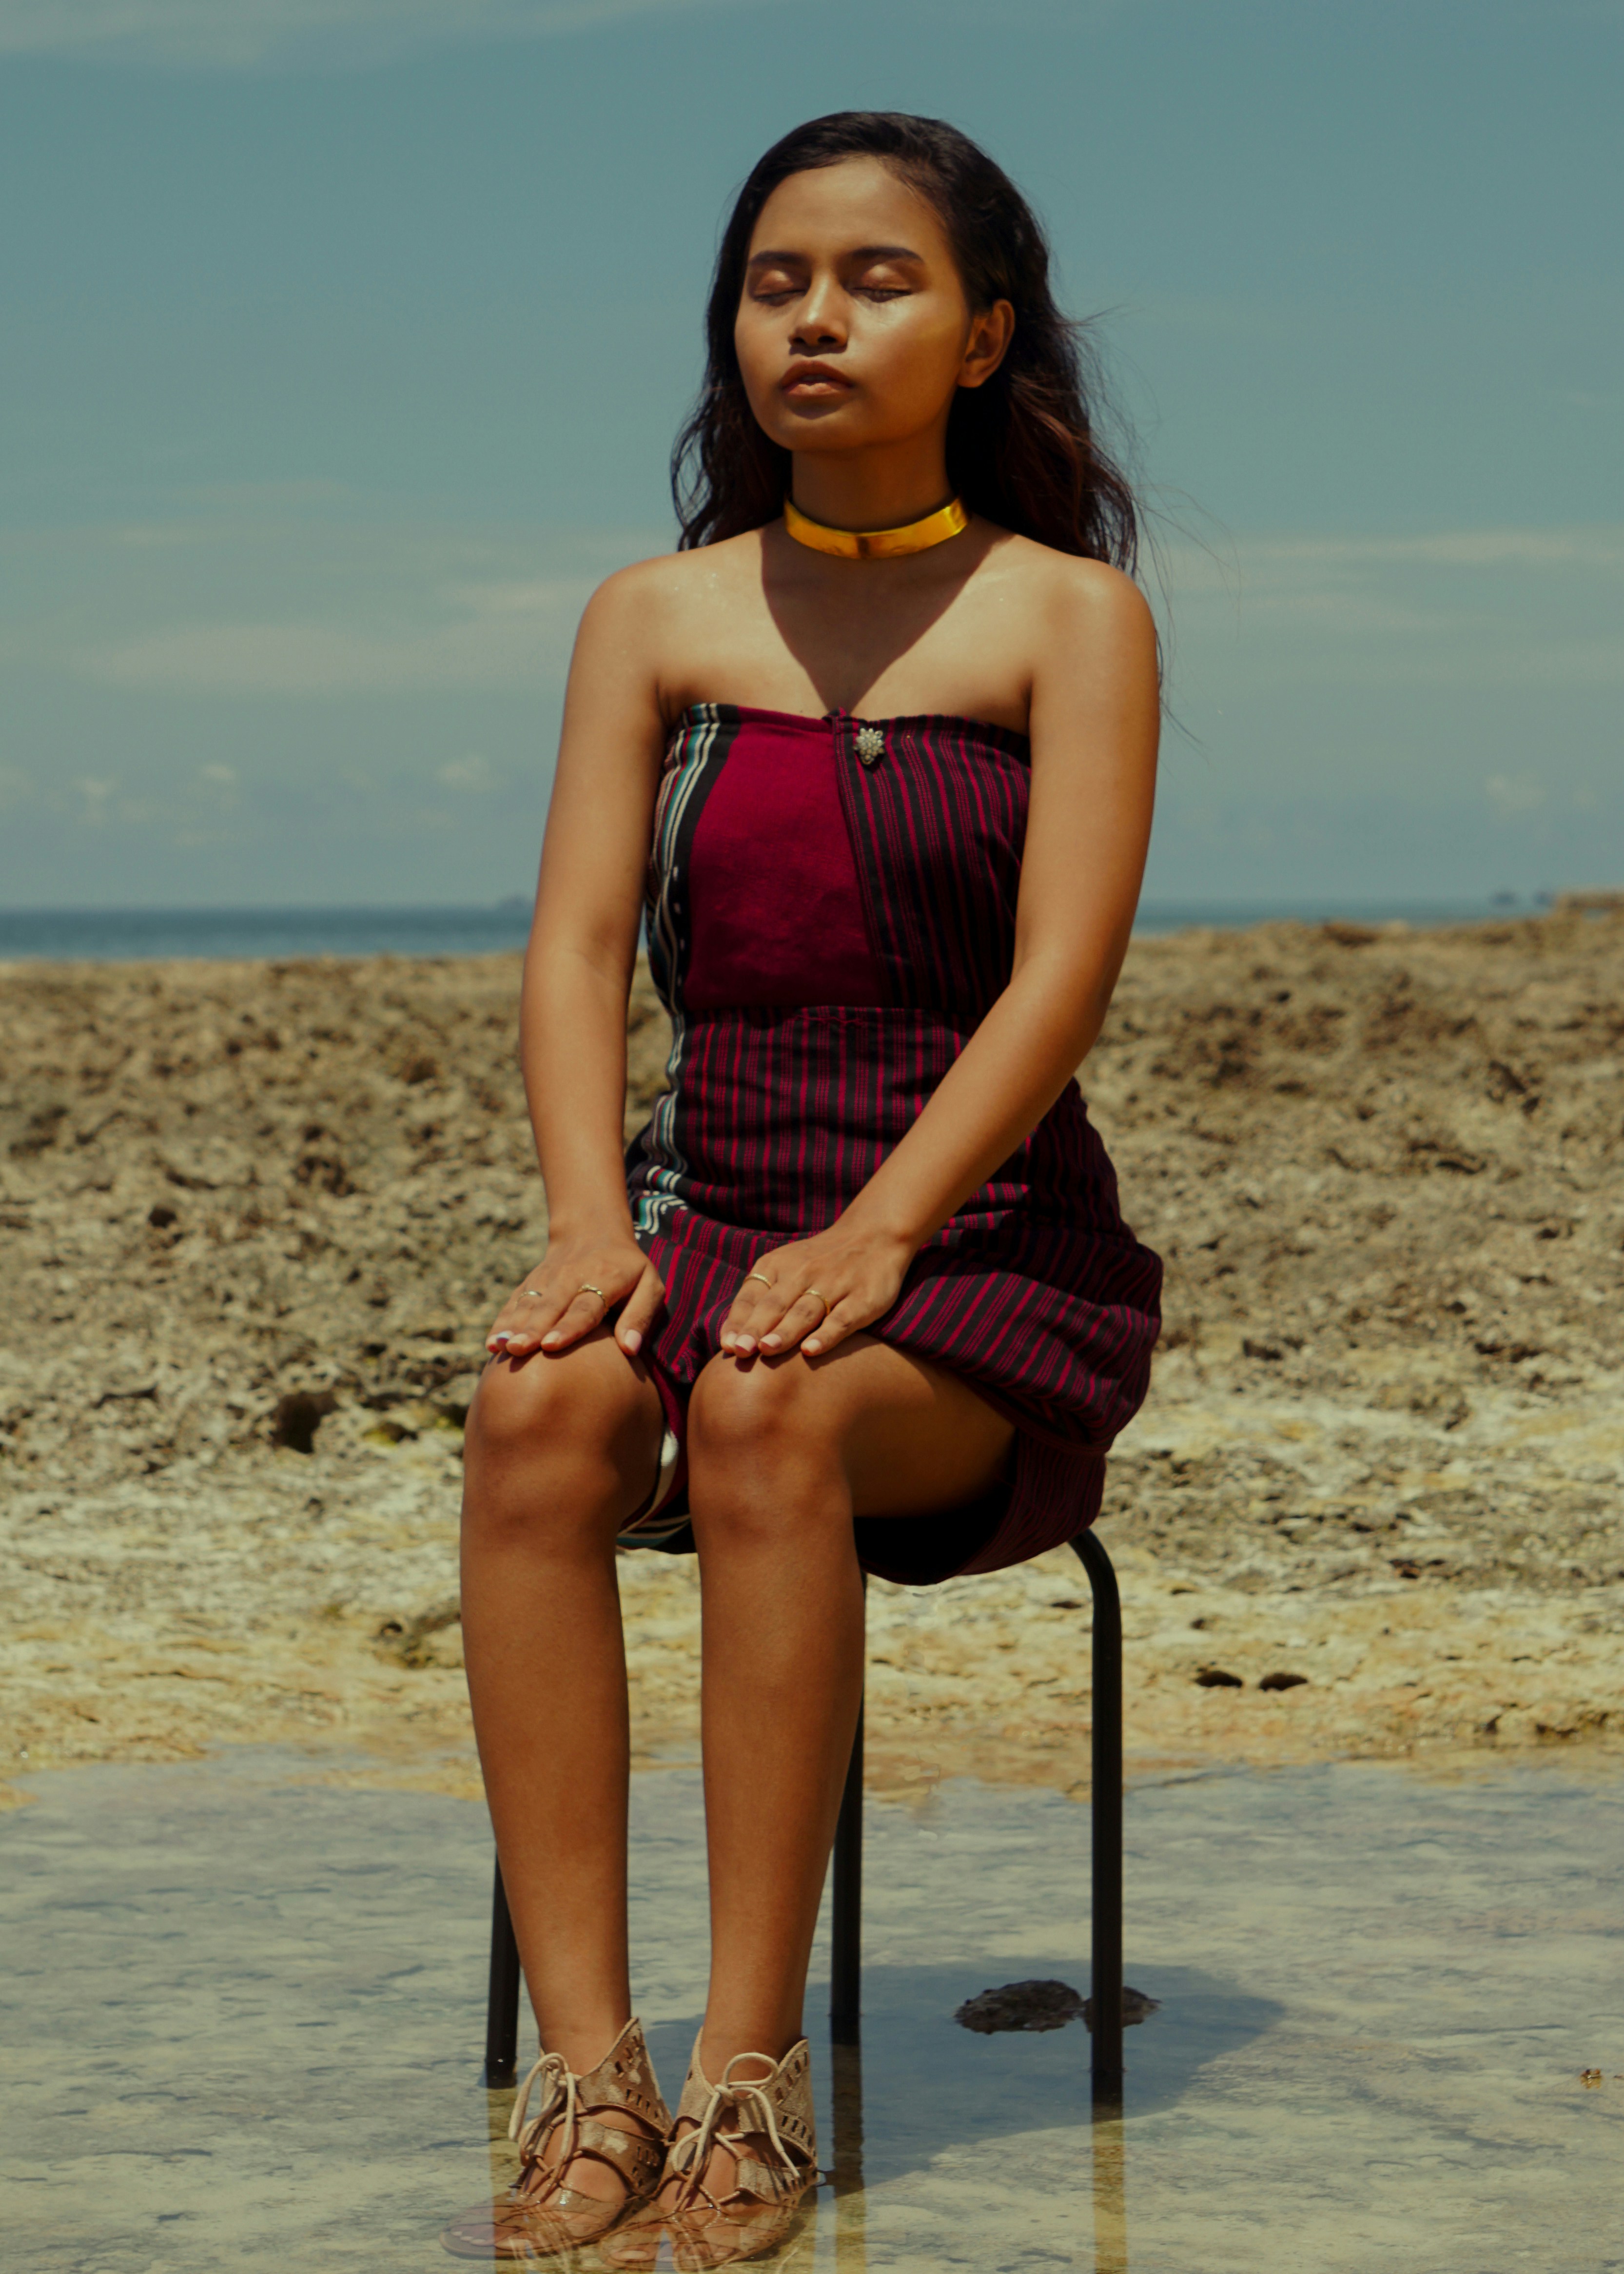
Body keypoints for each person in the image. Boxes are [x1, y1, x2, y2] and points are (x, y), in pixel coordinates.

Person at [442, 109, 1162, 2271]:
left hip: (982, 1250)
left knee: (766, 1406)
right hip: (698, 1215)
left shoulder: (1069, 617)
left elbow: (1058, 983)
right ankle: (594, 2072)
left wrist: (876, 1241)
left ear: (980, 337)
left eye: (872, 280)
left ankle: (756, 2075)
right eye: (776, 284)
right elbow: (574, 948)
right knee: (537, 1407)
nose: (816, 318)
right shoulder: (649, 614)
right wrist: (591, 1231)